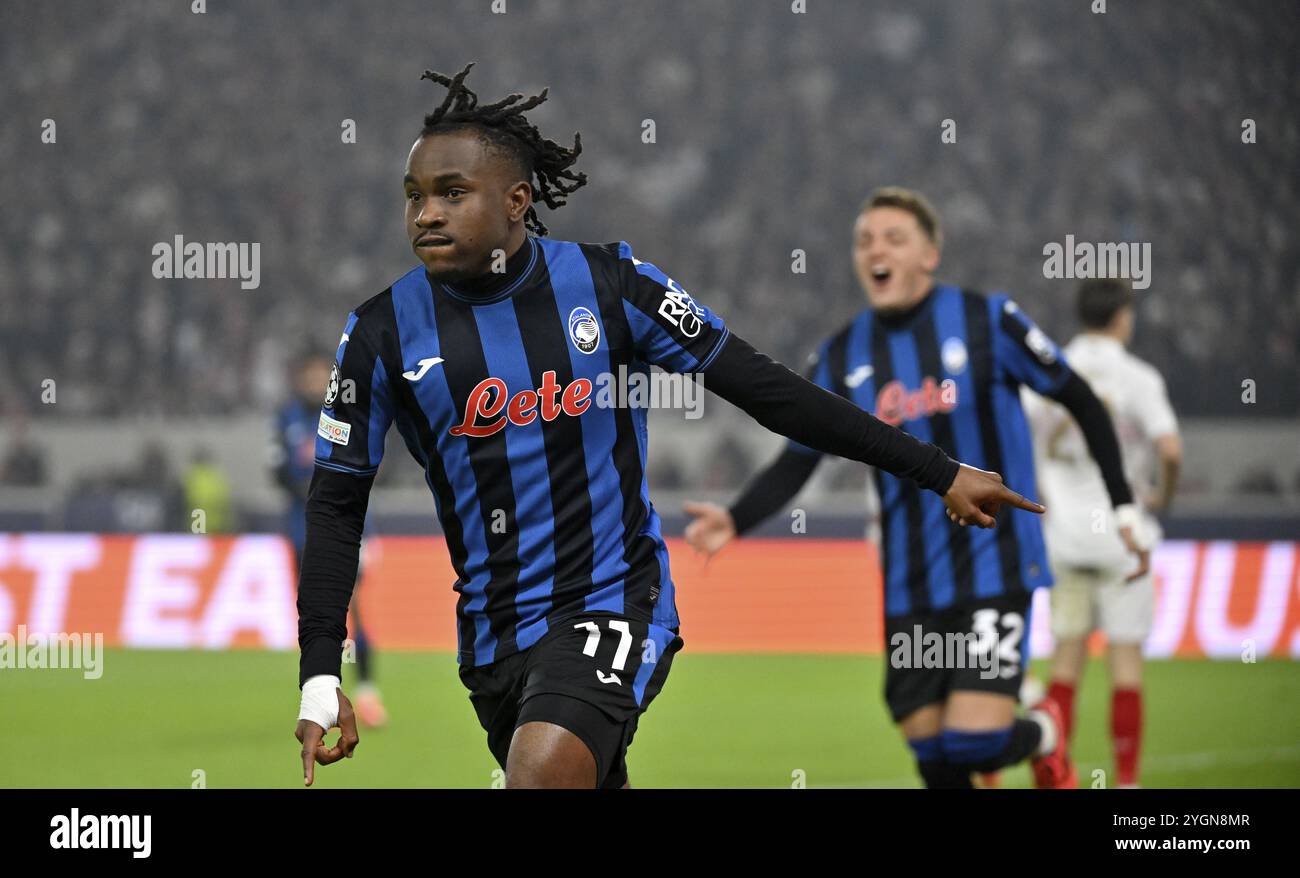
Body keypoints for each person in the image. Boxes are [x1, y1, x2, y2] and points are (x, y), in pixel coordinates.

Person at [294, 67, 1037, 789]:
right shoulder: (380, 334)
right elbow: (335, 503)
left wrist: (937, 469)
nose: (426, 213)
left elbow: (770, 391)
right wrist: (320, 670)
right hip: (493, 636)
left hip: (613, 599)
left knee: (541, 772)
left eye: (452, 193)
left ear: (517, 200)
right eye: (414, 196)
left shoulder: (613, 286)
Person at [685, 188, 1148, 789]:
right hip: (910, 577)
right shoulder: (843, 354)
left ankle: (1046, 731)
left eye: (894, 239)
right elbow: (799, 458)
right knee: (932, 753)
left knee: (974, 741)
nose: (875, 250)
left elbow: (1079, 399)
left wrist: (1124, 506)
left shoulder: (989, 321)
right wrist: (736, 518)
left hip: (995, 562)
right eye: (864, 241)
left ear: (930, 255)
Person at [1022, 278, 1180, 789]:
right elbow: (1170, 449)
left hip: (1063, 538)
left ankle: (1054, 774)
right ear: (1123, 317)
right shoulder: (1138, 378)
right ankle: (1127, 782)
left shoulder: (1045, 372)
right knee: (1125, 665)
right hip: (1123, 540)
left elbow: (1016, 442)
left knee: (1064, 665)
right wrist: (1162, 495)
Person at [275, 354, 387, 726]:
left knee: (351, 605)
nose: (314, 381)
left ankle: (367, 692)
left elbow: (366, 468)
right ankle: (324, 694)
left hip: (345, 529)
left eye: (320, 374)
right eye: (308, 375)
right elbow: (277, 471)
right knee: (315, 613)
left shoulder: (347, 411)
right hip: (302, 530)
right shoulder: (287, 418)